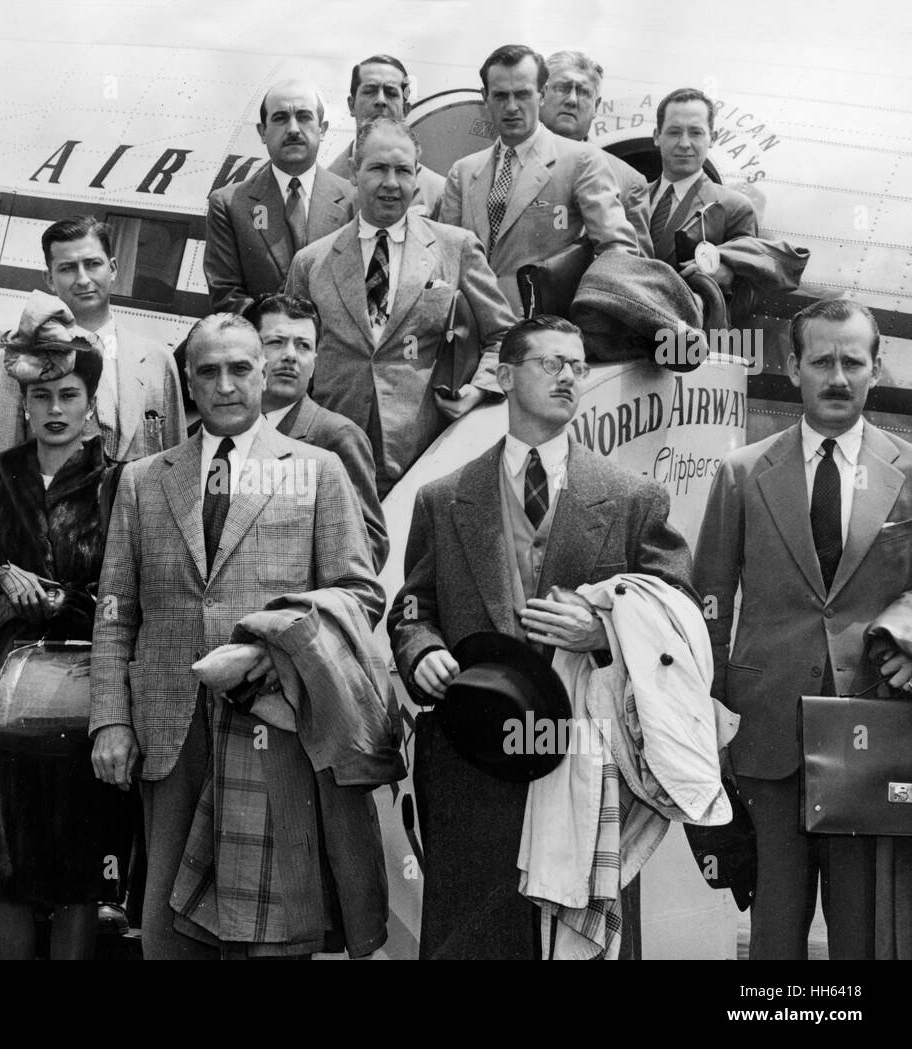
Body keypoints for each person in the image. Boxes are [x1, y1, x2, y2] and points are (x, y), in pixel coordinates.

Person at [388, 315, 694, 959]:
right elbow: (413, 607)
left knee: (573, 942)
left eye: (578, 367)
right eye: (550, 363)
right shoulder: (443, 499)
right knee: (469, 940)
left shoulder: (634, 497)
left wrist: (605, 629)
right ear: (503, 377)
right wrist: (422, 652)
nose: (569, 377)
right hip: (470, 752)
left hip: (583, 755)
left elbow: (681, 618)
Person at [90, 313, 384, 959]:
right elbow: (115, 612)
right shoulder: (142, 480)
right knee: (170, 932)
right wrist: (110, 720)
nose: (225, 384)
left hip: (274, 726)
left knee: (271, 932)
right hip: (169, 734)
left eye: (240, 368)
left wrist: (267, 647)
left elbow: (360, 596)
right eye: (208, 371)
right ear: (188, 383)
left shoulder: (318, 470)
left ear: (263, 373)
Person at [694, 299, 912, 960]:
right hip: (766, 731)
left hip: (869, 732)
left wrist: (906, 634)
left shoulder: (909, 472)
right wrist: (713, 717)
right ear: (792, 366)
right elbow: (710, 601)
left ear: (877, 368)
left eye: (854, 360)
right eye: (823, 360)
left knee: (863, 931)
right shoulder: (741, 473)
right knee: (774, 930)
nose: (838, 376)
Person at [0, 314, 131, 960]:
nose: (53, 408)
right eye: (40, 395)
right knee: (2, 868)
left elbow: (131, 605)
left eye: (68, 394)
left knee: (77, 871)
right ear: (22, 401)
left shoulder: (120, 484)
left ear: (91, 402)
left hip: (83, 697)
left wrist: (60, 601)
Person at [287, 116, 516, 497]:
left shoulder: (455, 248)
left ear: (416, 176)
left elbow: (505, 336)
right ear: (353, 172)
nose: (391, 183)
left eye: (403, 171)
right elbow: (289, 352)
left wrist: (479, 391)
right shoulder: (311, 262)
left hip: (427, 454)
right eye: (377, 168)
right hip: (333, 456)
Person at [0, 215, 186, 468]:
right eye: (67, 268)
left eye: (93, 264)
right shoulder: (23, 357)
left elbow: (176, 466)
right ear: (50, 279)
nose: (83, 279)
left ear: (114, 269)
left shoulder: (157, 360)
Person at [438, 44, 638, 312]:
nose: (511, 107)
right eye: (500, 96)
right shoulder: (462, 172)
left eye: (522, 94)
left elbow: (617, 250)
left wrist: (587, 319)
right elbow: (444, 261)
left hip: (544, 335)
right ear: (485, 98)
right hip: (471, 331)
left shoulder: (582, 161)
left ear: (541, 94)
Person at [254, 292, 389, 572]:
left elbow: (369, 547)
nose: (290, 356)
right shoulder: (222, 431)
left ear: (315, 361)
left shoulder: (337, 438)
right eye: (276, 342)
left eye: (303, 346)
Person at [203, 79, 355, 316]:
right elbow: (226, 294)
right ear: (263, 132)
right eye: (280, 118)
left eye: (304, 117)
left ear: (322, 129)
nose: (293, 129)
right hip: (264, 346)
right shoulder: (229, 205)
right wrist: (281, 332)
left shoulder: (353, 200)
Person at [648, 88, 805, 315]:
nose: (684, 143)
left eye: (696, 133)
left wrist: (725, 277)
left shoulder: (735, 208)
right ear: (656, 136)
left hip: (684, 340)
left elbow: (746, 296)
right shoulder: (633, 196)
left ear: (713, 138)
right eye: (673, 132)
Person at [539, 49, 653, 255]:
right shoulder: (506, 160)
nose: (572, 100)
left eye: (584, 92)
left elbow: (635, 270)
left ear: (596, 106)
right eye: (562, 88)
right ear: (540, 94)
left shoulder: (629, 182)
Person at [326, 54, 446, 218]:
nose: (381, 101)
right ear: (351, 105)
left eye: (391, 93)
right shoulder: (323, 186)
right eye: (369, 91)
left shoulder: (437, 192)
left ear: (405, 109)